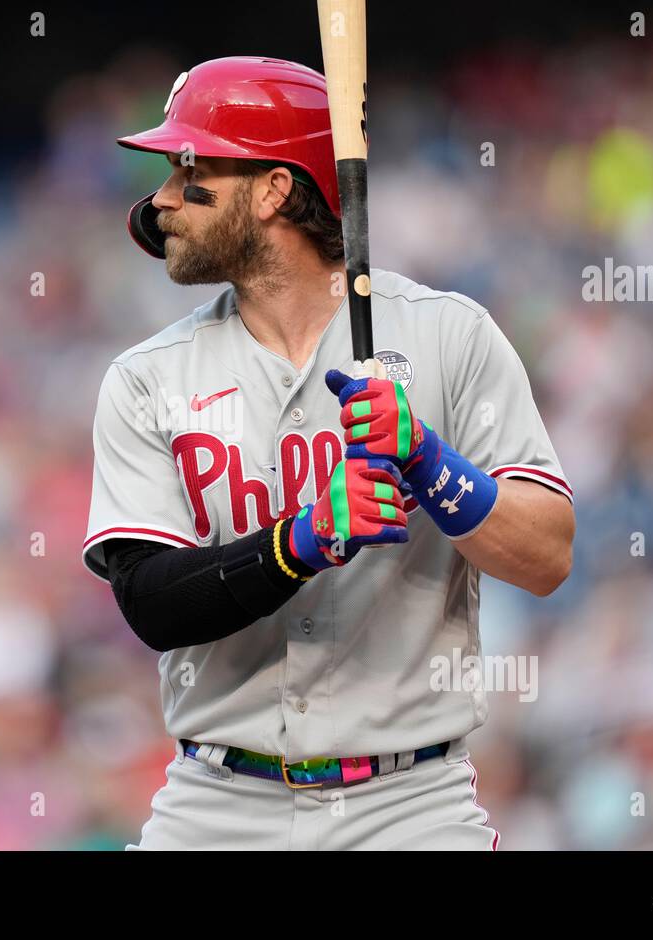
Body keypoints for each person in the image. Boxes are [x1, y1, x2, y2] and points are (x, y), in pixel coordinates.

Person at [82, 57, 574, 850]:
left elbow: (547, 556)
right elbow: (151, 604)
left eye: (190, 168)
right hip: (216, 804)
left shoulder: (449, 336)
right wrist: (301, 541)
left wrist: (428, 464)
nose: (162, 201)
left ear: (275, 189)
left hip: (411, 805)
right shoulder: (146, 378)